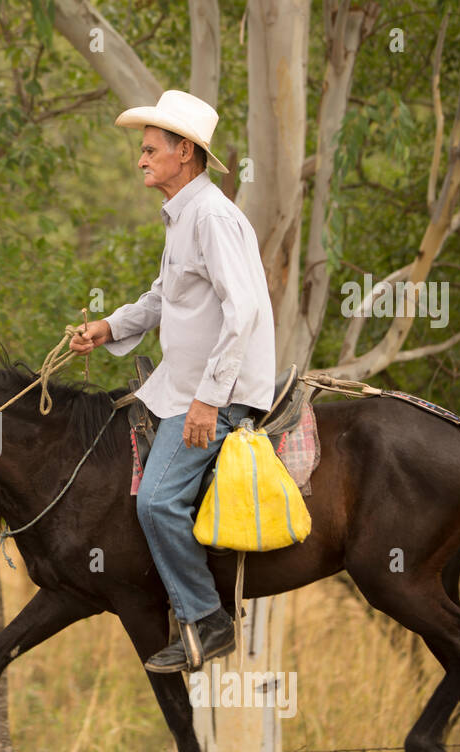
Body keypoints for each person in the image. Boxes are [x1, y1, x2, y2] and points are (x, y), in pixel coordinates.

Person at [71, 90, 275, 674]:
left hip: (217, 395)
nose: (140, 160)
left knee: (158, 501)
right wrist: (107, 326)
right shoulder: (184, 216)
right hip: (183, 387)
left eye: (149, 149)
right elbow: (165, 299)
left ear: (184, 152)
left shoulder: (210, 216)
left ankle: (207, 621)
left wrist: (210, 399)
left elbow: (245, 312)